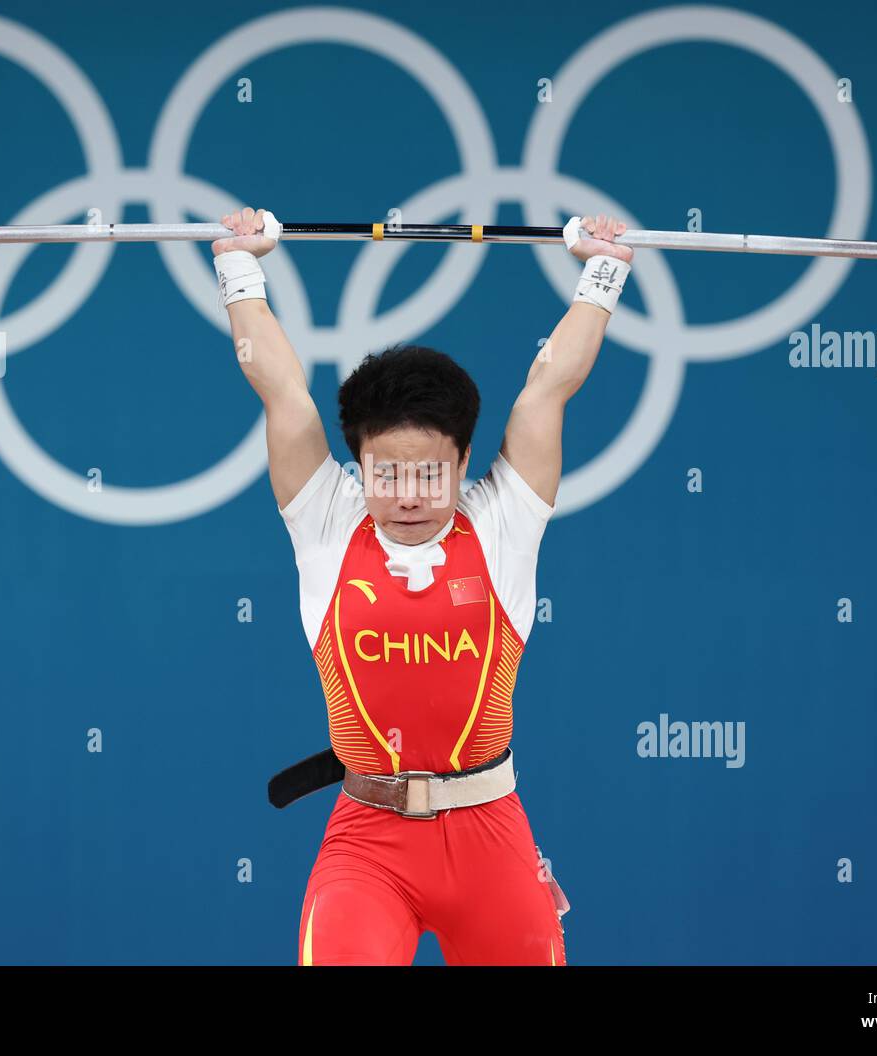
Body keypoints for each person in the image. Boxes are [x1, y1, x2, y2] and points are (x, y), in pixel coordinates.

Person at [212, 207, 633, 965]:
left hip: (492, 837)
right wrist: (242, 266)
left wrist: (602, 271)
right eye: (387, 473)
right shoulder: (327, 520)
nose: (409, 494)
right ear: (357, 464)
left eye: (430, 472)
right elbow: (281, 390)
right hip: (367, 847)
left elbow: (548, 389)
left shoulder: (503, 520)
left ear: (465, 458)